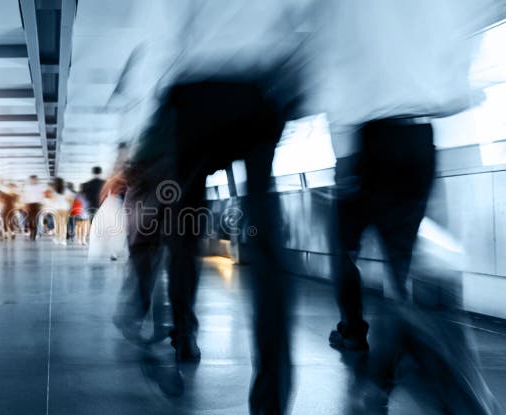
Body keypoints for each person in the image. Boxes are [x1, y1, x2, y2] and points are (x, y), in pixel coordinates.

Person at [108, 0, 311, 410]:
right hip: (261, 90)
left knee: (182, 229)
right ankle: (273, 391)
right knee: (267, 238)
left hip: (197, 96)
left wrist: (156, 104)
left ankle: (184, 332)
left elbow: (163, 28)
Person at [316, 0, 501, 411]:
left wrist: (345, 161)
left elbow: (334, 71)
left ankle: (373, 354)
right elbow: (457, 63)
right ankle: (384, 376)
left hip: (372, 142)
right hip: (420, 140)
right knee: (408, 269)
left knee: (347, 251)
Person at [46, 177, 74, 246]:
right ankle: (63, 240)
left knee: (57, 225)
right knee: (63, 225)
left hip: (56, 210)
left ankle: (58, 238)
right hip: (65, 210)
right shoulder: (67, 191)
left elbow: (51, 201)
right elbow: (71, 201)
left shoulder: (54, 191)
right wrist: (70, 210)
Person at [22, 175, 46, 241]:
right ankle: (31, 230)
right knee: (29, 219)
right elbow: (24, 196)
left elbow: (42, 197)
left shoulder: (40, 187)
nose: (33, 181)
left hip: (37, 205)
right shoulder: (27, 187)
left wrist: (43, 206)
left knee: (36, 219)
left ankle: (34, 233)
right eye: (32, 179)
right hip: (29, 205)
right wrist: (24, 205)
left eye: (34, 179)